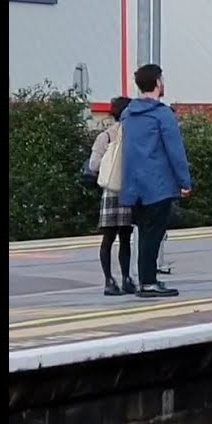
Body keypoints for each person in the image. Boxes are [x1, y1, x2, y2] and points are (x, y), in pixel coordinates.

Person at [121, 63, 194, 298]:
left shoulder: (128, 114)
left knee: (144, 233)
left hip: (134, 186)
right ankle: (149, 282)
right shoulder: (162, 115)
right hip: (158, 185)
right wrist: (185, 182)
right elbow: (175, 151)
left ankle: (146, 279)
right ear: (158, 83)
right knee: (154, 234)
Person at [87, 96, 136, 296]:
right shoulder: (133, 136)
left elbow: (93, 165)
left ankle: (108, 280)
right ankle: (126, 278)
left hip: (110, 191)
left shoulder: (105, 136)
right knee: (125, 238)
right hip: (128, 190)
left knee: (108, 238)